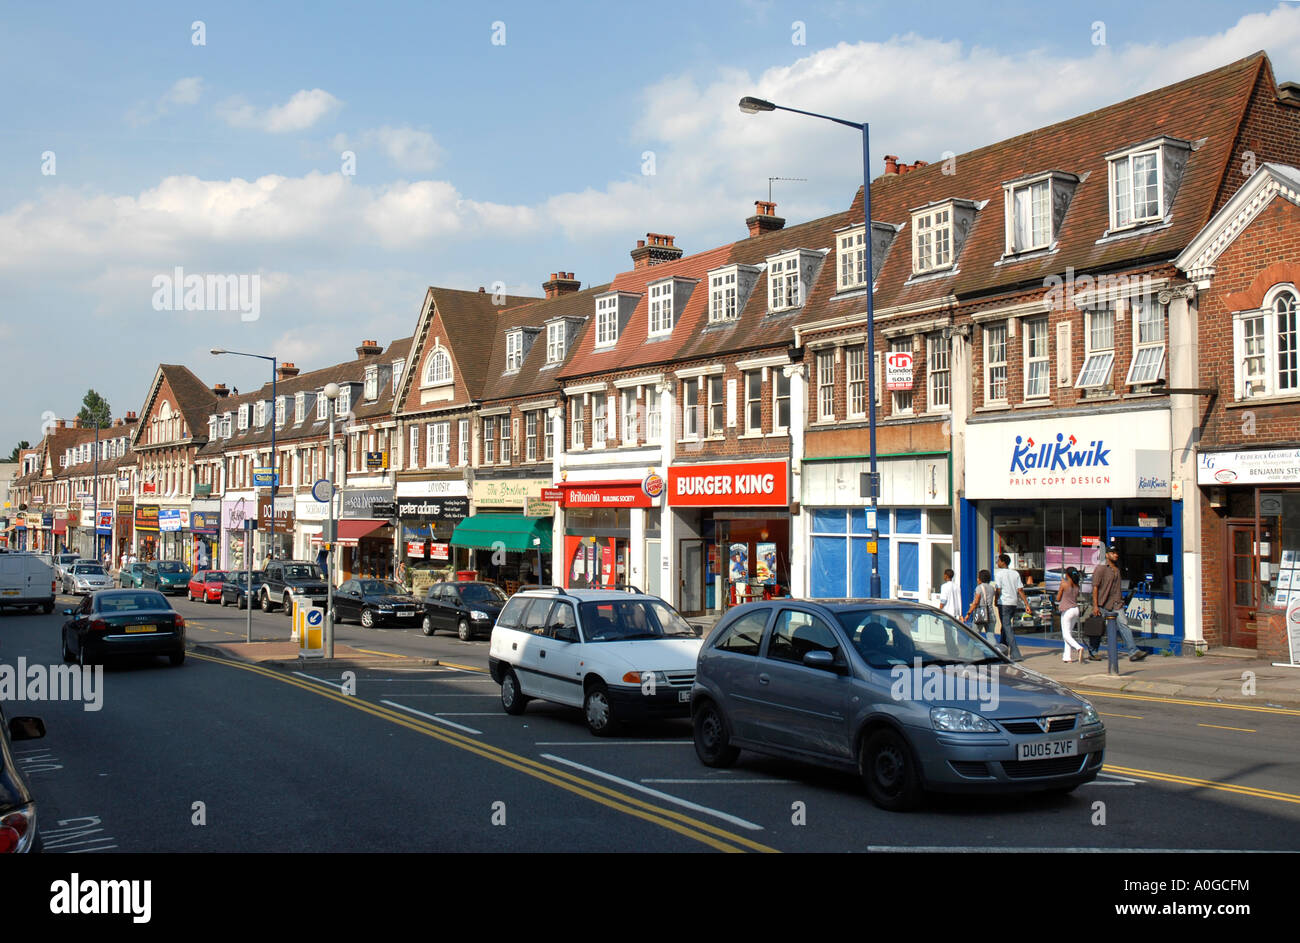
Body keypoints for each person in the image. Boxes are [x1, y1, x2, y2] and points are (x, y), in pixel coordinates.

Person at [1093, 544, 1147, 661]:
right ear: (1107, 555)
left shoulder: (1117, 569)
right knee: (1099, 628)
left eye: (1117, 553)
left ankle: (1133, 652)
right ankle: (1093, 651)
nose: (1116, 555)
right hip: (1103, 604)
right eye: (1113, 553)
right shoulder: (1100, 568)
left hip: (1117, 603)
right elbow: (1095, 587)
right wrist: (1095, 606)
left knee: (1124, 625)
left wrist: (1121, 600)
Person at [993, 553, 1029, 661]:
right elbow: (1020, 590)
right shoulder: (1015, 573)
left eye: (998, 561)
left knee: (1007, 627)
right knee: (1005, 626)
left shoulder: (999, 574)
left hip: (1004, 603)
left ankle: (1015, 653)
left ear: (1003, 562)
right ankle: (1002, 650)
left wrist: (995, 599)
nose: (997, 563)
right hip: (1013, 603)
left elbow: (998, 589)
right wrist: (1026, 604)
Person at [1057, 566, 1086, 663]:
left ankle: (1078, 647)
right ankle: (1067, 657)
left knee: (1065, 635)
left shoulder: (1064, 584)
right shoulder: (1077, 586)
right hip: (1075, 610)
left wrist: (1061, 585)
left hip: (1067, 611)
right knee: (1068, 634)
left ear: (1067, 575)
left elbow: (1058, 598)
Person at [965, 569, 998, 641]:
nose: (977, 579)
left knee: (974, 637)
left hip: (980, 615)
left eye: (978, 577)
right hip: (991, 614)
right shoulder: (992, 588)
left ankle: (969, 652)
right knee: (991, 636)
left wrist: (968, 613)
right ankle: (994, 650)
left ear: (980, 578)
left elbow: (976, 602)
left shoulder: (979, 588)